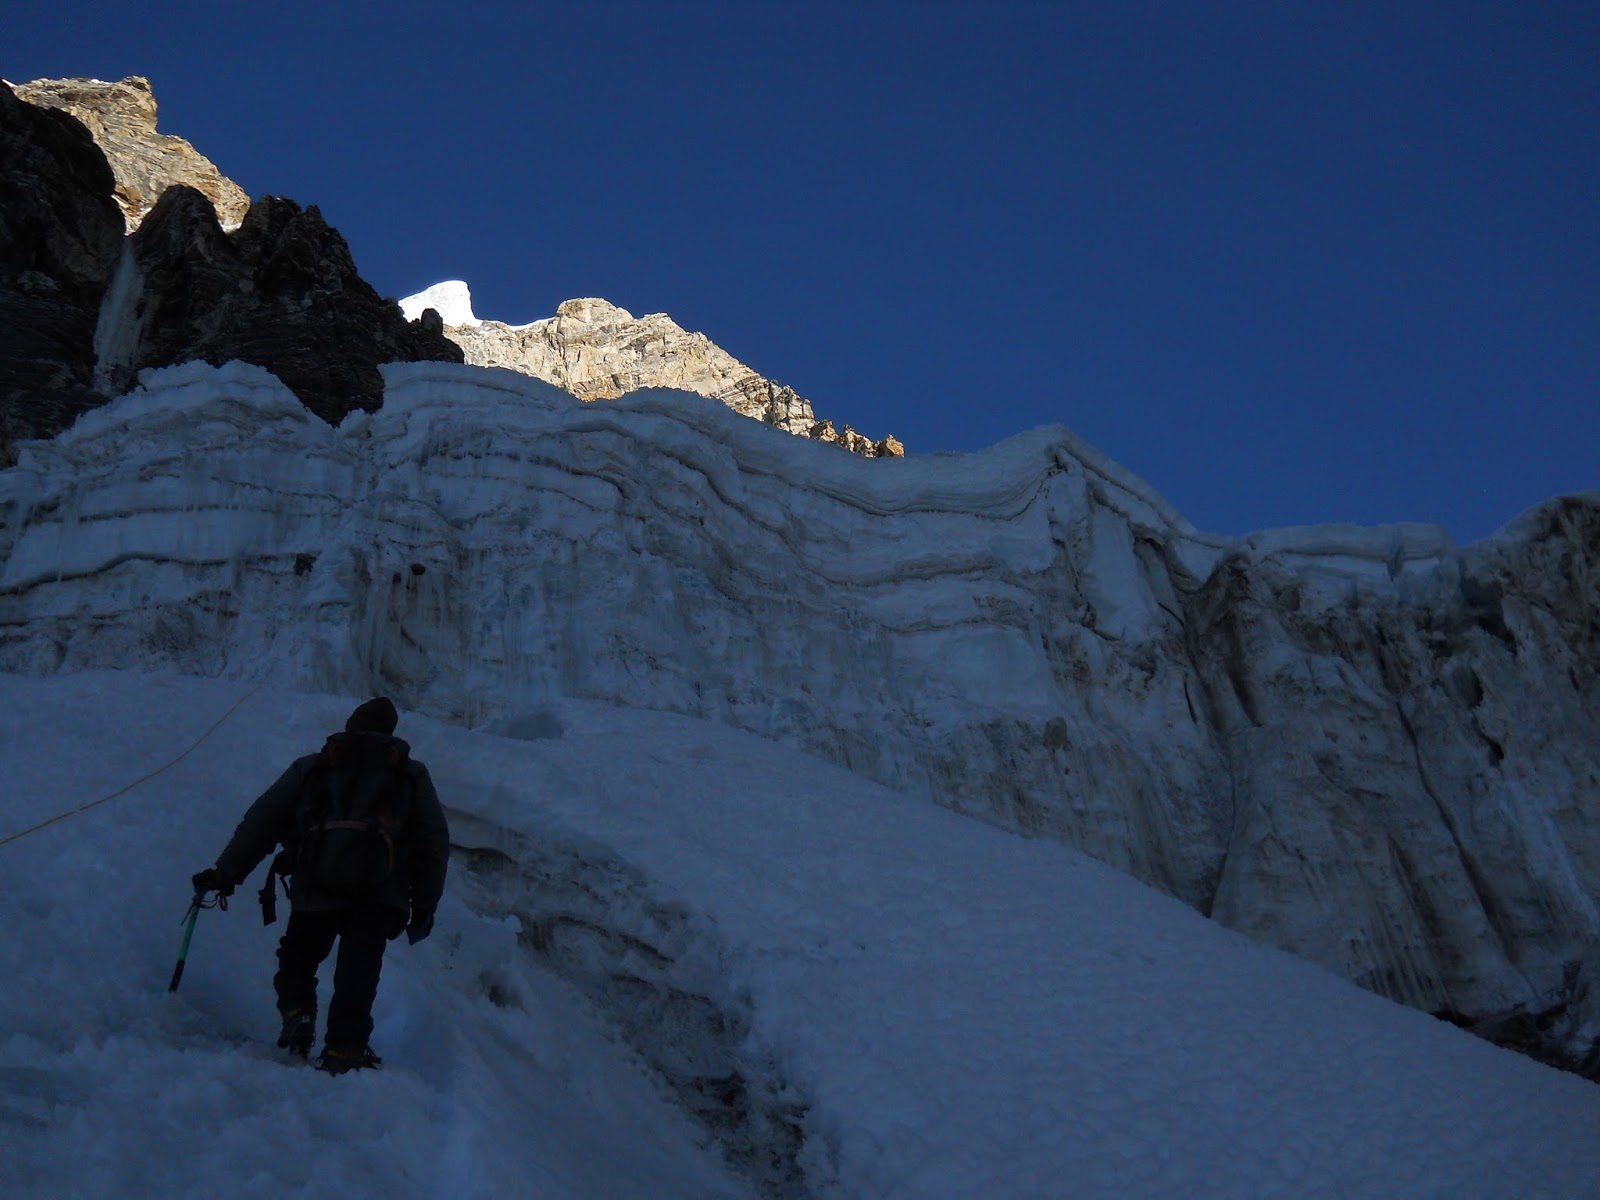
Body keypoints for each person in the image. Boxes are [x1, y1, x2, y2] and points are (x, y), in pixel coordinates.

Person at [192, 696, 450, 1074]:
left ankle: (298, 1012)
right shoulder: (409, 774)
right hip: (378, 892)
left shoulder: (314, 766)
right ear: (390, 733)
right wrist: (425, 903)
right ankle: (345, 1049)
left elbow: (262, 820)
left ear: (350, 725)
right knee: (358, 970)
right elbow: (433, 839)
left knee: (298, 955)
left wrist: (227, 873)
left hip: (316, 884)